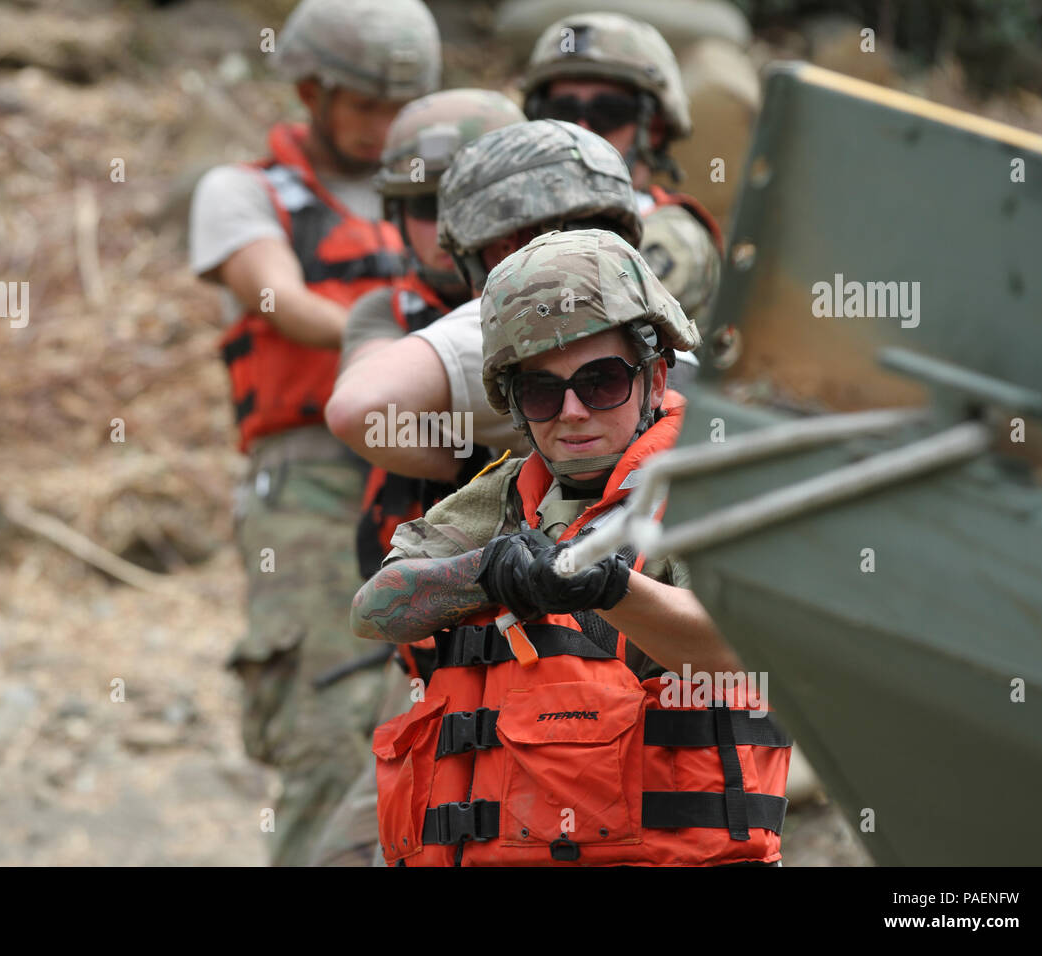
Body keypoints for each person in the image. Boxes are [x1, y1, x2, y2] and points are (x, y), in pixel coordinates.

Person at [351, 229, 792, 866]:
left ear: (654, 375)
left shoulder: (714, 487)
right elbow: (375, 611)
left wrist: (609, 587)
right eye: (541, 391)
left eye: (602, 381)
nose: (574, 411)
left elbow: (748, 649)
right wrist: (487, 572)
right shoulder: (503, 496)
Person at [187, 0, 440, 867]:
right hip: (312, 484)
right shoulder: (245, 192)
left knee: (443, 735)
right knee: (330, 737)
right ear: (311, 90)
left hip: (433, 473)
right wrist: (420, 341)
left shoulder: (438, 188)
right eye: (364, 105)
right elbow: (286, 306)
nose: (381, 128)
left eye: (396, 108)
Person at [307, 88, 527, 867]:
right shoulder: (386, 313)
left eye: (460, 203)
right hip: (433, 656)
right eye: (424, 206)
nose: (446, 228)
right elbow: (369, 411)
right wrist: (479, 451)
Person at [327, 118, 644, 483]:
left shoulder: (518, 313)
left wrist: (482, 480)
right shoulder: (655, 314)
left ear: (505, 245)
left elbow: (354, 410)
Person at [522, 11, 722, 321]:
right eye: (561, 110)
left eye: (609, 111)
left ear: (653, 128)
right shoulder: (521, 217)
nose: (582, 126)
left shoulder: (672, 237)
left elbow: (566, 321)